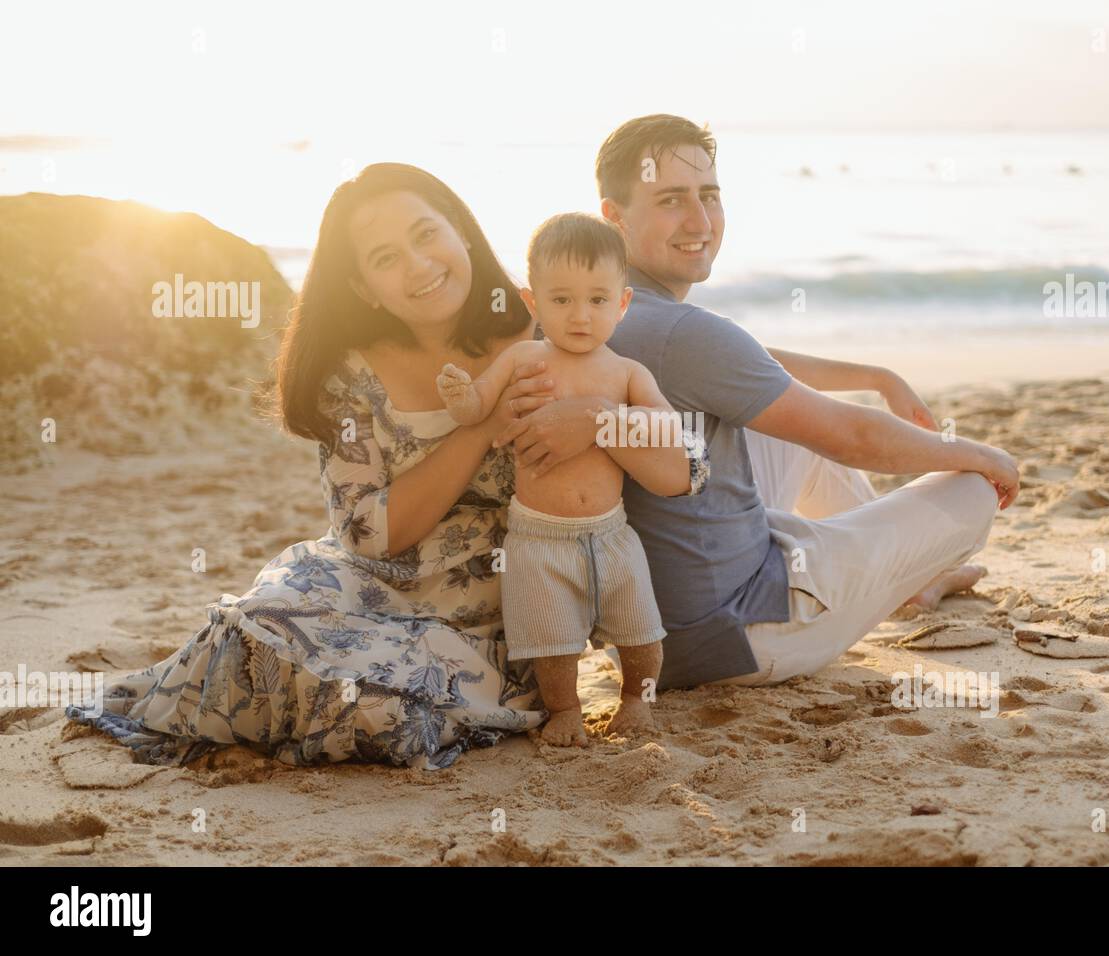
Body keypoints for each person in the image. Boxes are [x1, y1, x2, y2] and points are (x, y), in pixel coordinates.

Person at [65, 163, 701, 768]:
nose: (419, 266)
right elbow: (371, 533)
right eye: (384, 258)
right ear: (362, 286)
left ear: (460, 229)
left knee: (372, 705)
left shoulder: (556, 318)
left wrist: (596, 418)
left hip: (507, 587)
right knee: (258, 632)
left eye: (427, 234)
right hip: (374, 577)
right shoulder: (352, 377)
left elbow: (686, 465)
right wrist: (477, 426)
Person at [494, 116, 1021, 690]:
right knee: (971, 488)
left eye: (710, 196)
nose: (699, 220)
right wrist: (974, 452)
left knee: (779, 412)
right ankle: (903, 578)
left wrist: (874, 375)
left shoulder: (594, 315)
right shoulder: (686, 333)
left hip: (642, 641)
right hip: (741, 636)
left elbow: (750, 366)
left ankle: (909, 580)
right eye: (671, 200)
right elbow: (852, 437)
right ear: (614, 217)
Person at [437, 212, 704, 745]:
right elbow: (476, 407)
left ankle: (634, 701)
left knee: (642, 634)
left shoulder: (628, 373)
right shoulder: (522, 358)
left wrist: (609, 415)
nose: (580, 316)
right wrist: (460, 395)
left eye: (597, 300)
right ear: (532, 301)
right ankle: (565, 712)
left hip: (611, 532)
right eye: (561, 300)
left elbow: (668, 427)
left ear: (622, 303)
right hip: (537, 536)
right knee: (549, 643)